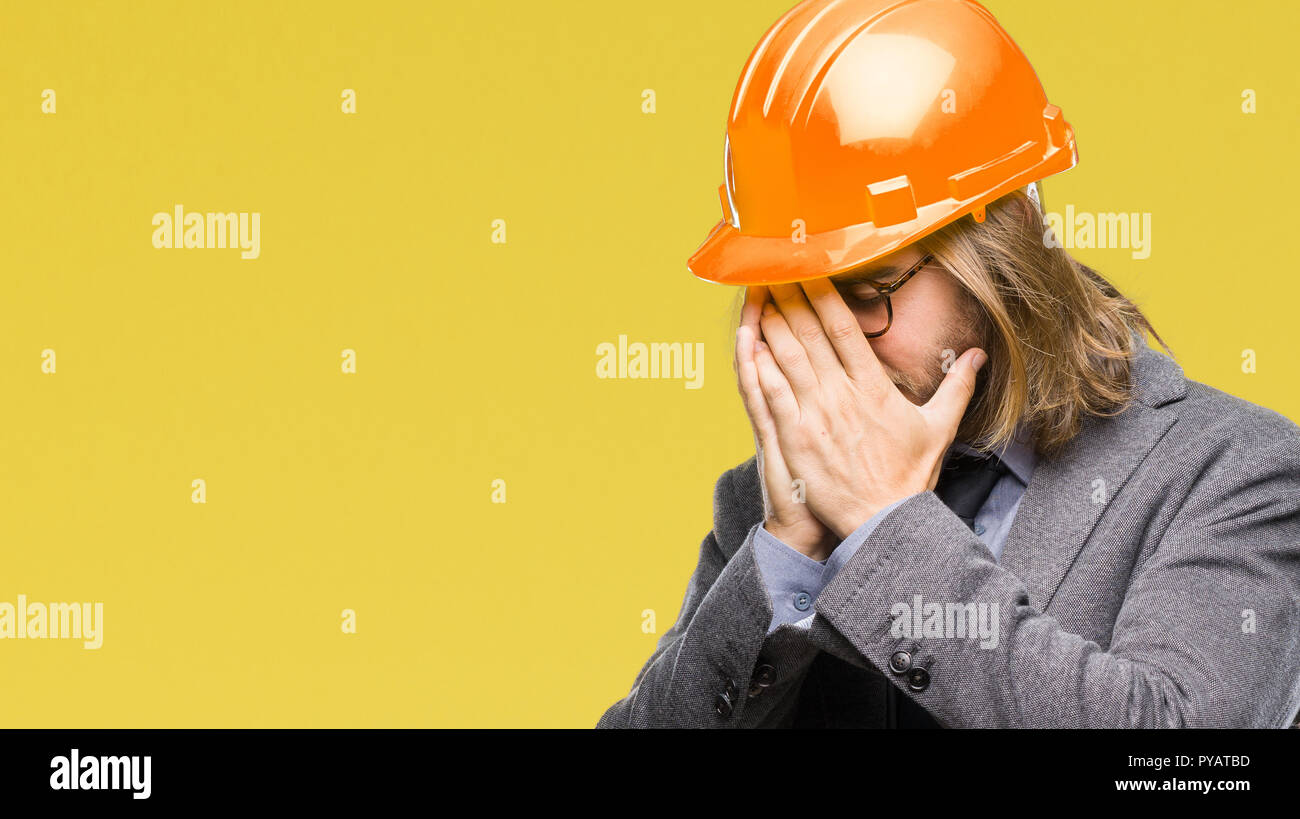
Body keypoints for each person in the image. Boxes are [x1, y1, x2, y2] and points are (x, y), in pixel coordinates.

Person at [595, 0, 1300, 728]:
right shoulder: (771, 499)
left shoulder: (1240, 472)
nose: (833, 344)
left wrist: (884, 527)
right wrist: (786, 555)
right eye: (793, 303)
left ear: (1011, 241)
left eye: (868, 292)